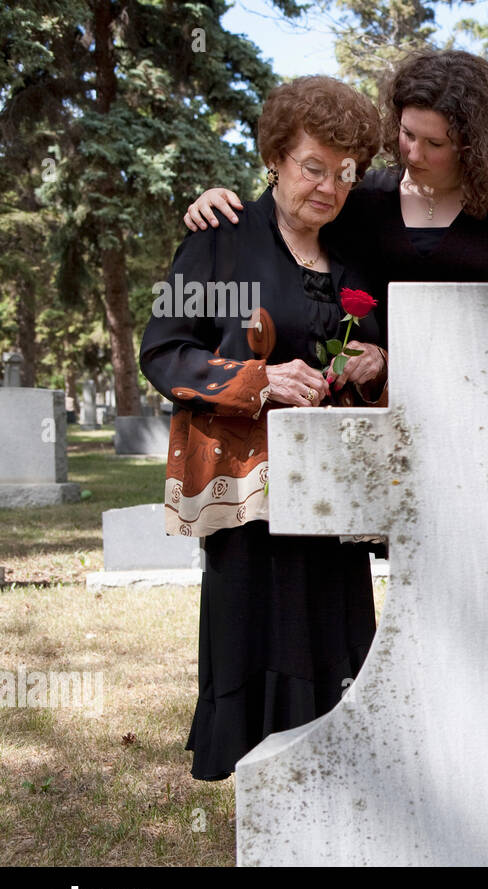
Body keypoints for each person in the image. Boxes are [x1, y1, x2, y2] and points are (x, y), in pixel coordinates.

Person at [140, 76, 386, 781]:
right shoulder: (221, 244)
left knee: (335, 641)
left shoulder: (350, 262)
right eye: (314, 167)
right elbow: (162, 351)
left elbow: (372, 357)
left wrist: (374, 365)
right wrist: (259, 380)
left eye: (345, 174)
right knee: (257, 637)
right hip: (247, 500)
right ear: (276, 157)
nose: (330, 187)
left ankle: (334, 789)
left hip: (332, 505)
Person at [184, 49, 488, 408]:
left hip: (486, 400)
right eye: (407, 134)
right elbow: (288, 212)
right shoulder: (363, 198)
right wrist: (218, 201)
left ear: (471, 145)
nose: (413, 154)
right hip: (386, 408)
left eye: (435, 143)